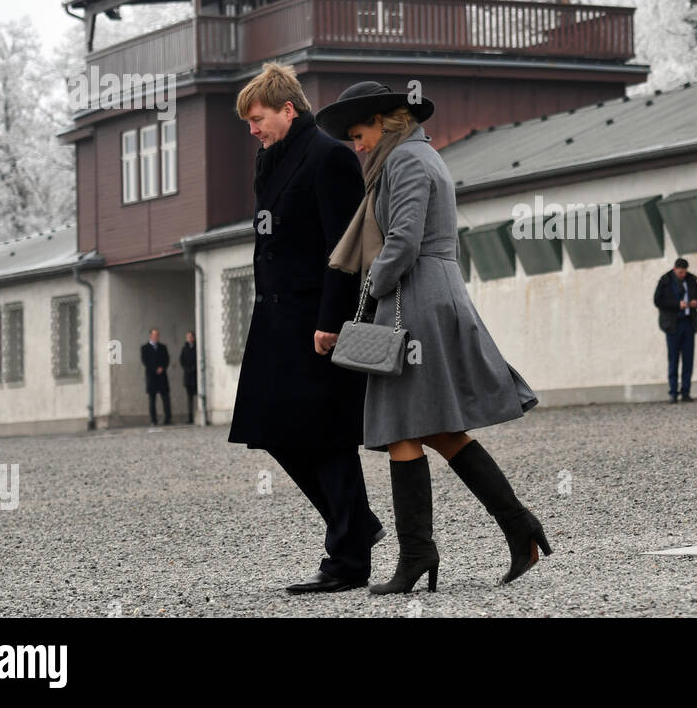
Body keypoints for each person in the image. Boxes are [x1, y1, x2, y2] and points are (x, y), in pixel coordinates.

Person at [320, 80, 548, 595]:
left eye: (358, 135)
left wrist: (372, 285)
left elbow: (403, 239)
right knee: (438, 428)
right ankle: (519, 527)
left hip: (414, 296)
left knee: (403, 424)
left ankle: (419, 554)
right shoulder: (419, 156)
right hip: (429, 292)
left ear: (382, 122)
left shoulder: (403, 162)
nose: (355, 146)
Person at [227, 63, 385, 594]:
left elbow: (342, 249)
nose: (252, 128)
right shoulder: (269, 159)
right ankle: (358, 527)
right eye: (249, 121)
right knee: (271, 428)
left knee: (326, 437)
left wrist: (333, 320)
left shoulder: (329, 156)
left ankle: (347, 560)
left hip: (315, 319)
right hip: (274, 317)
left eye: (259, 118)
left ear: (288, 110)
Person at [653, 258, 697, 403]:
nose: (683, 274)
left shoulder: (691, 281)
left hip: (688, 323)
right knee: (674, 359)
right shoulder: (665, 281)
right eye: (680, 272)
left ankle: (686, 392)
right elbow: (658, 301)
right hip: (673, 325)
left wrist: (696, 302)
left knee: (688, 359)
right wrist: (677, 305)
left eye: (684, 272)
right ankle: (673, 393)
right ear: (675, 269)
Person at [141, 329, 172, 425]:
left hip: (162, 376)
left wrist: (162, 368)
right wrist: (155, 369)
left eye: (157, 335)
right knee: (152, 399)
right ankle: (153, 420)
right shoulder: (145, 348)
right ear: (150, 336)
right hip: (151, 376)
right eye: (154, 335)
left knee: (165, 398)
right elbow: (145, 361)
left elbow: (167, 359)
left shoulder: (163, 347)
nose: (156, 337)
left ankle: (168, 419)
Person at [180, 332, 200, 425]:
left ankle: (200, 414)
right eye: (187, 337)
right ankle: (190, 417)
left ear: (194, 338)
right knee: (189, 397)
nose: (189, 338)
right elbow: (182, 361)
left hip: (196, 375)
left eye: (191, 337)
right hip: (188, 376)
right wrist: (187, 369)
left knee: (199, 396)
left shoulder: (197, 347)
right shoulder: (184, 349)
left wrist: (193, 368)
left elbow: (199, 359)